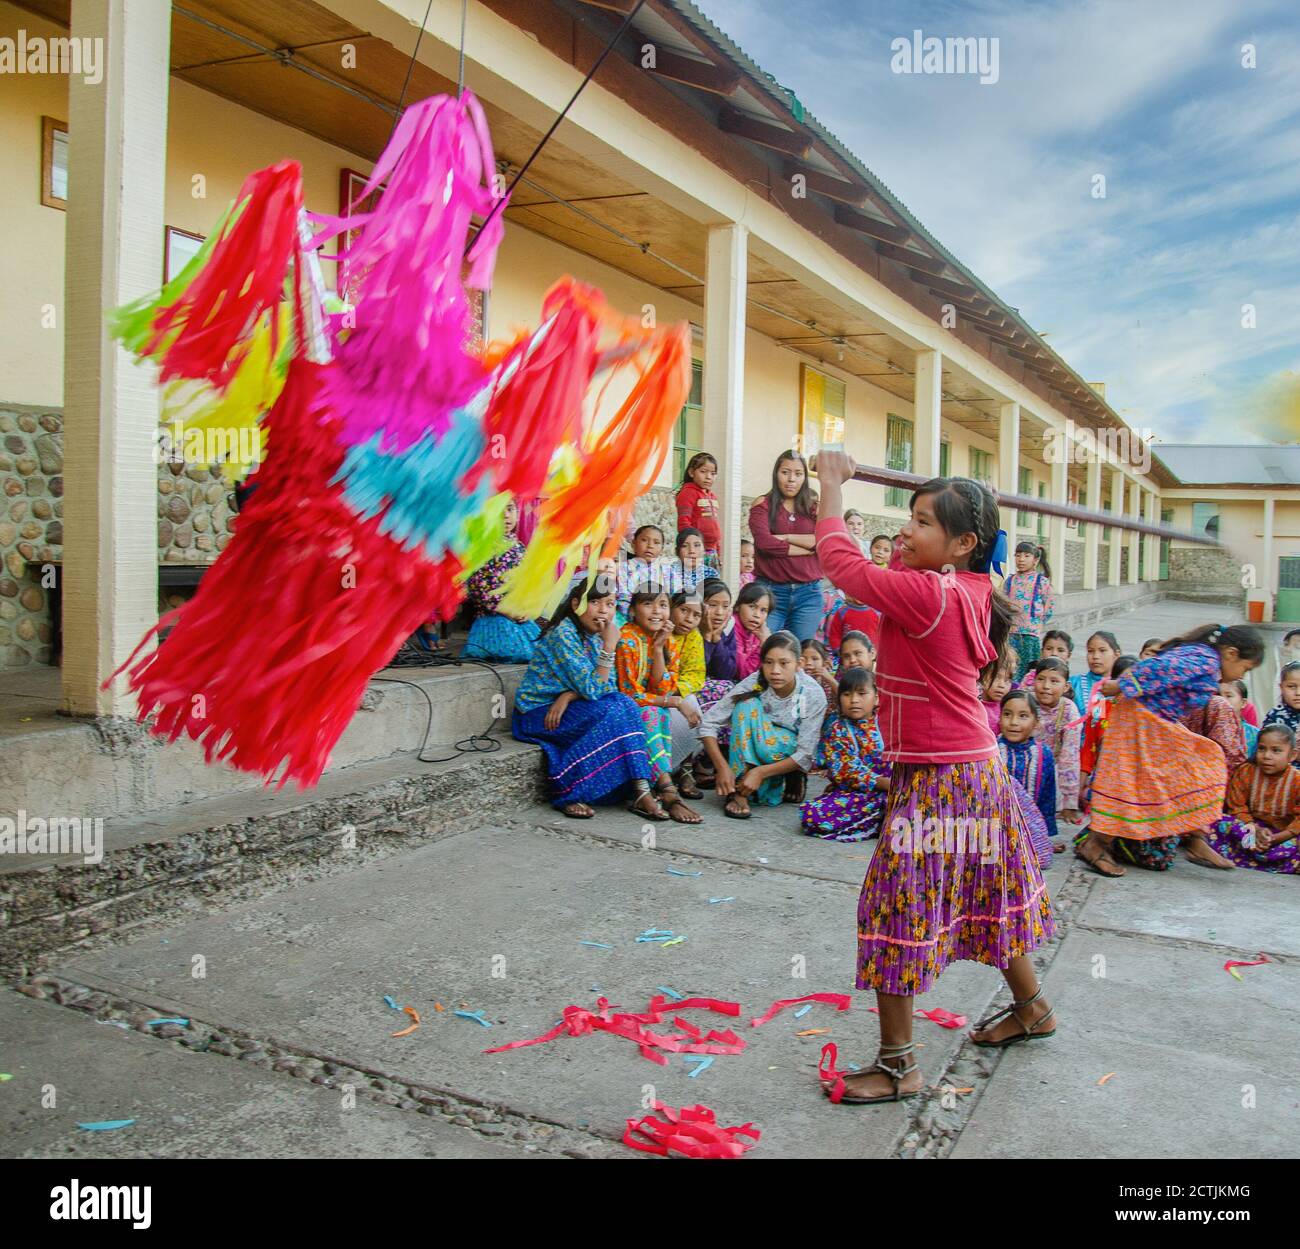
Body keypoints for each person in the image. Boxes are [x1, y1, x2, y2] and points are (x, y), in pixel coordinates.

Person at [814, 454, 1055, 1104]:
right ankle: (1032, 1006)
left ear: (964, 543)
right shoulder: (970, 586)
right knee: (983, 891)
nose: (908, 531)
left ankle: (898, 1067)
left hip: (943, 780)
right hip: (975, 770)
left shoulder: (929, 594)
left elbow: (842, 565)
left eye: (923, 522)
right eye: (911, 517)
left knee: (894, 904)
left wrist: (832, 484)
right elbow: (894, 564)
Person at [1077, 623, 1264, 876]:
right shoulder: (1206, 662)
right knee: (1129, 783)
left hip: (1155, 722)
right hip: (1139, 718)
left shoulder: (1206, 661)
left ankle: (1196, 836)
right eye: (1246, 668)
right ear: (1231, 654)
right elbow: (1158, 667)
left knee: (1196, 768)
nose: (1243, 675)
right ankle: (1096, 845)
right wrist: (1121, 685)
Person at [512, 573, 660, 820]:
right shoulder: (564, 633)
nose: (603, 611)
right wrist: (610, 647)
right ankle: (568, 791)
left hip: (566, 706)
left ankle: (640, 789)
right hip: (537, 714)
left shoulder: (593, 635)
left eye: (610, 604)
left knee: (625, 704)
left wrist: (569, 696)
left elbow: (609, 687)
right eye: (595, 602)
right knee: (613, 711)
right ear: (575, 604)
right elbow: (593, 690)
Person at [699, 630, 826, 818]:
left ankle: (787, 775)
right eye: (768, 662)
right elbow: (708, 722)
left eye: (784, 663)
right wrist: (723, 767)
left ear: (798, 665)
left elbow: (806, 753)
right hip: (755, 740)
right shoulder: (755, 681)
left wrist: (759, 772)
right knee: (745, 705)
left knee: (766, 748)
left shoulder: (813, 694)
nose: (775, 671)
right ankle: (739, 789)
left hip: (785, 747)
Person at [615, 586, 704, 824]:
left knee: (663, 711)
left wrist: (657, 648)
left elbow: (662, 688)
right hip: (621, 711)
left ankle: (661, 785)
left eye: (663, 605)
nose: (657, 612)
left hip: (649, 709)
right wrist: (674, 701)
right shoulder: (626, 640)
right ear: (633, 610)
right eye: (648, 604)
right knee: (654, 712)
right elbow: (630, 694)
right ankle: (667, 789)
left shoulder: (667, 641)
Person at [800, 668, 891, 842]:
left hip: (894, 788)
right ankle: (884, 819)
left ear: (877, 697)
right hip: (855, 794)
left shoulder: (889, 722)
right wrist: (884, 783)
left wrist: (897, 784)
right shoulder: (837, 729)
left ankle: (888, 816)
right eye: (847, 694)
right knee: (813, 816)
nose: (854, 700)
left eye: (862, 693)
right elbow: (847, 771)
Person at [747, 450, 823, 640]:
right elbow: (764, 543)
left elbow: (822, 540)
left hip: (808, 594)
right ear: (776, 474)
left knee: (800, 654)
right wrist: (806, 550)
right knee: (763, 650)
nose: (791, 480)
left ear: (805, 477)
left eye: (798, 474)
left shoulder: (814, 507)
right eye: (785, 472)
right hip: (770, 592)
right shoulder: (763, 504)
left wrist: (786, 537)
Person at [1206, 724, 1300, 873]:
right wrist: (1254, 829)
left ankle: (1262, 857)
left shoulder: (1297, 780)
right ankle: (1267, 859)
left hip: (1282, 837)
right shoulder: (1246, 772)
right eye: (1262, 748)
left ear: (1292, 755)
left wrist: (1275, 838)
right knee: (1218, 822)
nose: (1267, 756)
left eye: (1276, 750)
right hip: (1249, 831)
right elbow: (1236, 807)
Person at [461, 500, 541, 663]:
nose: (506, 515)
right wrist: (508, 610)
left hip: (519, 618)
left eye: (510, 509)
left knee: (542, 652)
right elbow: (478, 588)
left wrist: (524, 607)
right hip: (494, 619)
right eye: (499, 509)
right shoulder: (482, 546)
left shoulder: (518, 547)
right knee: (519, 652)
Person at [996, 689, 1057, 867]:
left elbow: (1047, 797)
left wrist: (1046, 835)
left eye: (1023, 716)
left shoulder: (1043, 754)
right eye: (1007, 714)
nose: (1014, 722)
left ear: (1036, 723)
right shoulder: (992, 750)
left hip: (1030, 828)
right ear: (999, 718)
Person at [1079, 654, 1138, 808]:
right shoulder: (1101, 708)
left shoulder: (1144, 713)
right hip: (1103, 782)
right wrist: (1080, 786)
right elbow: (1089, 747)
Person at [1031, 657, 1082, 822]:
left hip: (1052, 771)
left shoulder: (1068, 711)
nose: (1046, 686)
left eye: (1054, 681)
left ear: (1065, 686)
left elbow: (1070, 756)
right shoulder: (1026, 702)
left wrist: (1070, 802)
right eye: (1041, 679)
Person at [670, 590, 706, 796]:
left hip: (679, 691)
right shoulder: (659, 631)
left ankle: (685, 768)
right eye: (684, 610)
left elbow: (695, 674)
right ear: (672, 607)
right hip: (654, 693)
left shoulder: (694, 637)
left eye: (696, 615)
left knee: (694, 711)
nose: (689, 619)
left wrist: (676, 692)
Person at [1004, 542, 1054, 680]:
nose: (1021, 559)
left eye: (1026, 556)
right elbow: (1003, 605)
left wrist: (1036, 623)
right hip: (1012, 634)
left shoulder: (1042, 582)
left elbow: (1048, 608)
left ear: (1035, 560)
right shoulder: (1010, 581)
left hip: (1030, 636)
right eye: (1018, 555)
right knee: (1011, 668)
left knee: (1028, 672)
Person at [615, 524, 674, 622]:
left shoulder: (668, 572)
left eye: (656, 542)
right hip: (629, 620)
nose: (650, 546)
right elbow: (623, 600)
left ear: (662, 549)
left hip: (659, 620)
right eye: (644, 540)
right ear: (633, 543)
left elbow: (673, 598)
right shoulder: (623, 569)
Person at [676, 452, 722, 568]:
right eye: (703, 471)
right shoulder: (687, 493)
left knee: (711, 585)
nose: (708, 477)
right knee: (697, 584)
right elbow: (684, 525)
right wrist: (692, 549)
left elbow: (714, 529)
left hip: (711, 552)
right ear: (691, 472)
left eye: (713, 473)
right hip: (696, 553)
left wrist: (718, 551)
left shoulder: (712, 497)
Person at [1071, 630, 1121, 717]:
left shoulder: (1126, 686)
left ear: (1116, 654)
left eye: (1102, 650)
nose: (1095, 656)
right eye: (1090, 651)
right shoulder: (1073, 683)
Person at [732, 580, 772, 680]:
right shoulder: (730, 628)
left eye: (763, 610)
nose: (757, 615)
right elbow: (743, 674)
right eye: (752, 607)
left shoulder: (759, 632)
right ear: (738, 606)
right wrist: (764, 644)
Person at [1219, 679, 1259, 757]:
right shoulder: (1207, 732)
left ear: (1243, 703)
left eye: (1229, 696)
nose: (1221, 700)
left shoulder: (1255, 734)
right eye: (1218, 695)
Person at [670, 526, 712, 596]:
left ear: (704, 549)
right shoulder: (669, 572)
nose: (691, 551)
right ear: (677, 551)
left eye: (697, 545)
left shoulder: (711, 574)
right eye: (685, 546)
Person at [800, 637, 839, 712]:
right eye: (803, 659)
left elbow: (843, 696)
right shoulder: (795, 679)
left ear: (824, 662)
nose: (809, 663)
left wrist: (830, 679)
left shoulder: (827, 682)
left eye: (814, 659)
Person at [979, 659, 1015, 736]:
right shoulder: (975, 705)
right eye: (996, 677)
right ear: (983, 676)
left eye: (1007, 680)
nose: (1001, 685)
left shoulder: (1009, 707)